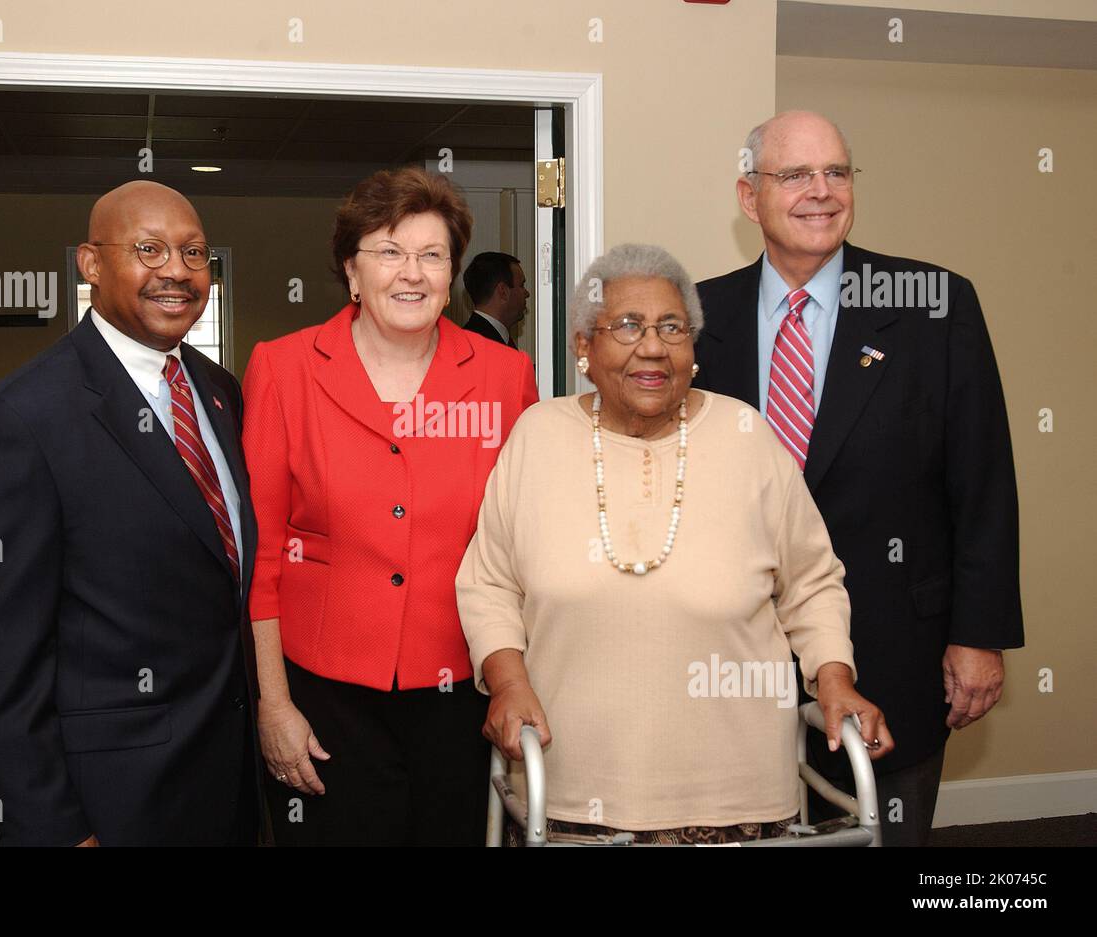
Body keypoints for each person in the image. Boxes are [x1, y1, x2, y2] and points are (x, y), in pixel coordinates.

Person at [457, 243, 892, 845]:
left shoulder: (745, 435)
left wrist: (835, 679)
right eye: (629, 326)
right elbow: (490, 582)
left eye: (673, 328)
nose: (654, 347)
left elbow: (812, 580)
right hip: (574, 780)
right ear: (584, 345)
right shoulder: (538, 436)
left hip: (737, 790)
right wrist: (507, 683)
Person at [694, 111, 1024, 845]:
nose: (821, 190)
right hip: (732, 652)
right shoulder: (696, 315)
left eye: (836, 172)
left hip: (893, 651)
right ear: (750, 198)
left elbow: (985, 483)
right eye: (795, 175)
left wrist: (979, 635)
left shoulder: (935, 305)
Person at [0, 181, 262, 846]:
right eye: (148, 249)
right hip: (111, 799)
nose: (176, 270)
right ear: (89, 264)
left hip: (223, 777)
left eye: (194, 252)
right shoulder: (24, 419)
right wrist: (55, 827)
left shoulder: (219, 392)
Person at [243, 167, 539, 845]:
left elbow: (523, 540)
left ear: (452, 273)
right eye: (389, 252)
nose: (412, 273)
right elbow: (259, 556)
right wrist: (273, 703)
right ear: (352, 270)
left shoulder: (503, 375)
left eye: (432, 255)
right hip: (323, 696)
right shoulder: (284, 369)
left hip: (460, 690)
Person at [461, 251, 529, 347]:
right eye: (522, 285)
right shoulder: (479, 346)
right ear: (503, 291)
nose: (527, 293)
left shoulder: (469, 340)